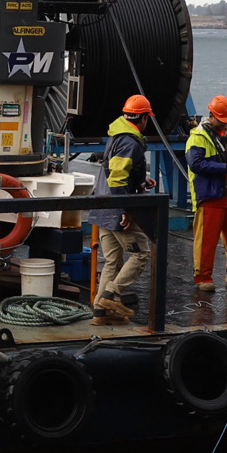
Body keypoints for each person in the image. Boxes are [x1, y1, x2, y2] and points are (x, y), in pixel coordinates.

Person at [94, 93, 158, 323]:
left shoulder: (116, 135)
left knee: (113, 262)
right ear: (142, 118)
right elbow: (118, 179)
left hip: (102, 206)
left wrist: (141, 182)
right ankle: (111, 295)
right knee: (141, 254)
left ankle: (100, 313)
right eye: (147, 118)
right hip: (115, 210)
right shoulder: (131, 141)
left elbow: (115, 171)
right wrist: (125, 210)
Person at [184, 95, 227, 294]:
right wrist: (224, 167)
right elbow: (195, 164)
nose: (226, 124)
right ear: (212, 117)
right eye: (223, 121)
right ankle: (202, 277)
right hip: (210, 197)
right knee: (206, 241)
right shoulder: (197, 137)